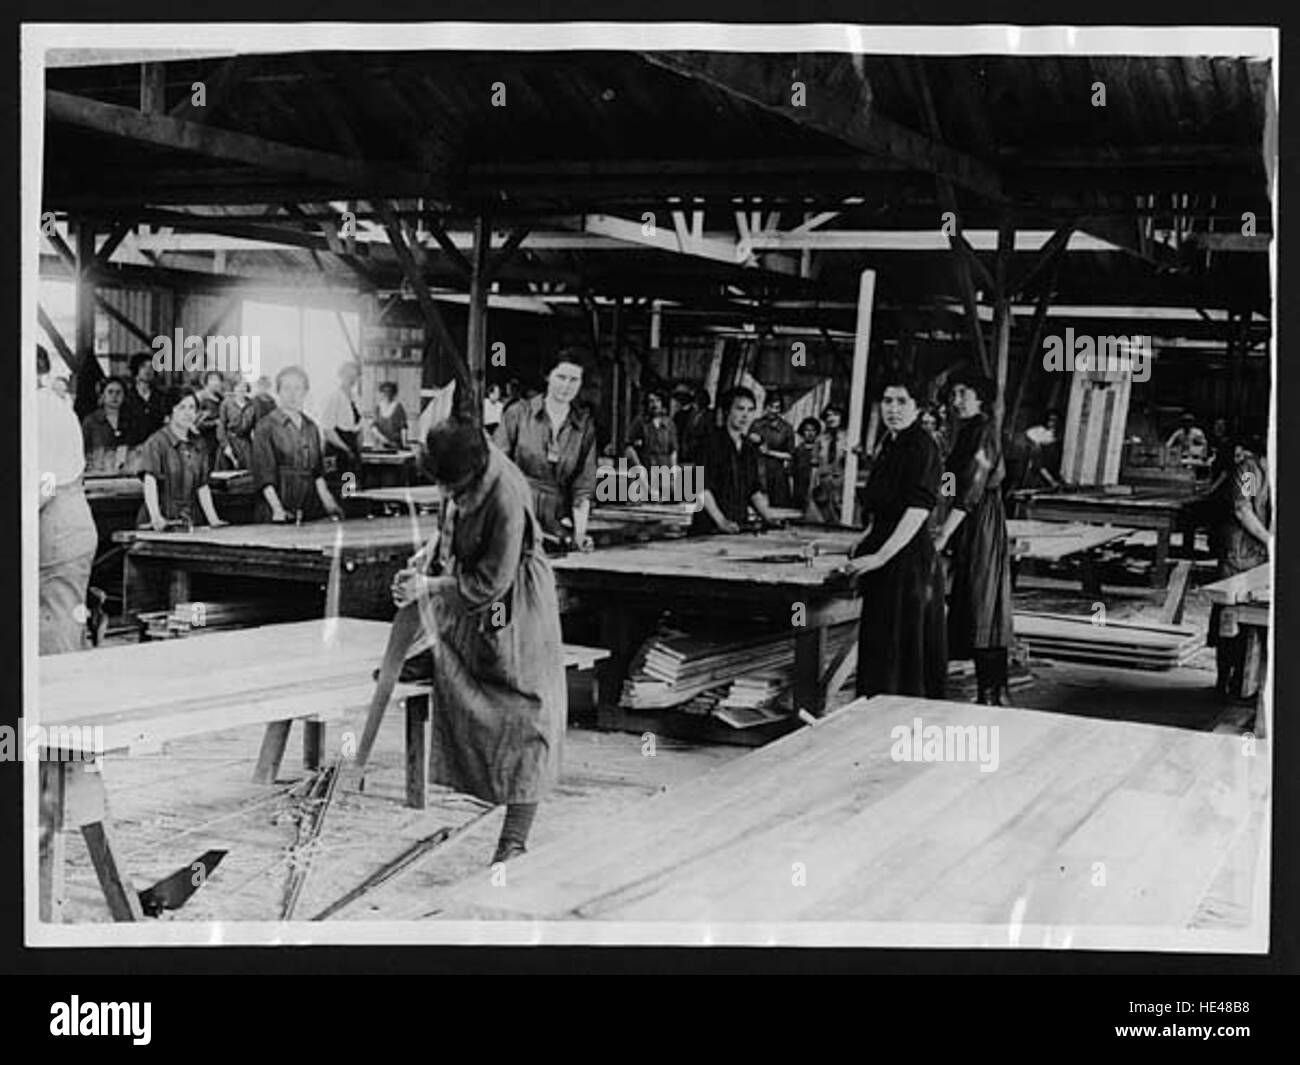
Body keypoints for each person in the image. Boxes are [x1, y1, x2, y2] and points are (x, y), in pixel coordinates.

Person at [391, 417, 565, 865]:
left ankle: (514, 841)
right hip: (466, 597)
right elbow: (449, 519)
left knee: (526, 712)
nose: (446, 494)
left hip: (512, 603)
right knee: (457, 672)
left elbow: (491, 583)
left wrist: (428, 588)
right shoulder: (458, 468)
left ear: (474, 469)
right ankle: (436, 659)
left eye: (452, 486)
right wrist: (428, 554)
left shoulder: (505, 495)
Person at [833, 374, 946, 698]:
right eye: (887, 401)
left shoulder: (923, 447)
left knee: (902, 658)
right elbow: (884, 504)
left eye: (901, 402)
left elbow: (917, 509)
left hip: (908, 562)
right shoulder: (890, 443)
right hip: (885, 559)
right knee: (880, 650)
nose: (892, 409)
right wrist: (866, 537)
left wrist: (880, 555)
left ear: (918, 407)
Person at [933, 371, 1014, 705]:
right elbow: (951, 482)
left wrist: (943, 534)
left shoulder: (982, 432)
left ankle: (993, 693)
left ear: (981, 397)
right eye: (953, 395)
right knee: (973, 601)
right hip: (967, 519)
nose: (956, 401)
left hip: (981, 522)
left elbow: (971, 489)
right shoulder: (966, 432)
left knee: (984, 602)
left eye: (963, 393)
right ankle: (990, 692)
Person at [493, 350, 598, 548]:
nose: (566, 386)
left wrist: (580, 534)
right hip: (517, 516)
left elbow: (583, 487)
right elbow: (497, 469)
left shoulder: (584, 426)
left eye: (574, 380)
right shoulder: (518, 414)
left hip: (557, 524)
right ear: (548, 376)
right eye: (561, 377)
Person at [38, 345, 98, 655]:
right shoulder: (57, 406)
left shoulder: (39, 411)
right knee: (65, 619)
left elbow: (45, 483)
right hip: (70, 522)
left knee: (56, 626)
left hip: (59, 527)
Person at [1208, 436, 1272, 698]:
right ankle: (1223, 682)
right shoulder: (1250, 470)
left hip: (1256, 554)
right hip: (1240, 553)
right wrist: (1269, 540)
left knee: (1251, 624)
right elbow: (1242, 508)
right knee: (1230, 615)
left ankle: (1242, 684)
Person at [249, 366, 345, 523]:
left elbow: (317, 473)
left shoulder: (311, 427)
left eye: (298, 388)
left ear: (305, 392)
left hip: (308, 509)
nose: (292, 394)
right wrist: (278, 510)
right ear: (278, 392)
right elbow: (264, 476)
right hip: (275, 509)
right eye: (286, 388)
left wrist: (330, 505)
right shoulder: (265, 426)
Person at [690, 387, 783, 534]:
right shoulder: (710, 443)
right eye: (740, 409)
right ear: (727, 410)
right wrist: (721, 521)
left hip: (738, 525)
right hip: (709, 526)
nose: (745, 415)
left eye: (750, 410)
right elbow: (701, 488)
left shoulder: (749, 448)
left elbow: (753, 490)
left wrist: (769, 518)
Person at [134, 388, 227, 531]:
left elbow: (202, 486)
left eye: (192, 408)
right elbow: (150, 481)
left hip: (190, 521)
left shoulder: (199, 444)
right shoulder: (156, 442)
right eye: (181, 407)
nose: (188, 413)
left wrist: (213, 520)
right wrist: (156, 517)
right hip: (161, 520)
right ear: (171, 412)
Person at [320, 361, 364, 496]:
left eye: (354, 376)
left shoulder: (356, 398)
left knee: (350, 489)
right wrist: (346, 449)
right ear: (341, 376)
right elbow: (327, 431)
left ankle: (349, 510)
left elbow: (359, 427)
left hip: (350, 446)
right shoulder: (334, 396)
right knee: (337, 486)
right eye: (348, 376)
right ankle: (338, 511)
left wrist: (356, 450)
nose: (351, 379)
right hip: (337, 447)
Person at [749, 390, 796, 508]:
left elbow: (790, 455)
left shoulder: (786, 428)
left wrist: (769, 452)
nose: (773, 411)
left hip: (777, 473)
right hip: (758, 470)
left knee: (778, 506)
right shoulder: (757, 424)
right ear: (766, 406)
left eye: (777, 407)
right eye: (771, 406)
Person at [81, 375, 134, 474]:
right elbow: (83, 451)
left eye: (118, 392)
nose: (114, 396)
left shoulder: (131, 420)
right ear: (102, 395)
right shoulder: (91, 421)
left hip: (125, 476)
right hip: (97, 475)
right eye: (110, 392)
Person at [807, 404, 850, 523]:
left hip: (841, 483)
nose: (831, 418)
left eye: (835, 415)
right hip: (824, 482)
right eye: (828, 415)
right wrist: (813, 486)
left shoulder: (849, 437)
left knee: (841, 513)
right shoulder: (821, 439)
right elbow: (814, 463)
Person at [624, 390, 678, 470]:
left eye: (658, 400)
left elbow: (673, 451)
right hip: (646, 467)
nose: (655, 404)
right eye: (651, 401)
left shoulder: (669, 424)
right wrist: (639, 467)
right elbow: (629, 448)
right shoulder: (640, 422)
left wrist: (673, 470)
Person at [122, 353, 167, 445]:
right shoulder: (126, 397)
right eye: (143, 366)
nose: (148, 370)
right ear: (135, 369)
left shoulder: (161, 397)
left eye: (151, 367)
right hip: (133, 447)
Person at [215, 378, 258, 470]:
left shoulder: (252, 405)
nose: (241, 389)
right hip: (230, 441)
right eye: (239, 387)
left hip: (245, 444)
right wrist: (225, 446)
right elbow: (221, 426)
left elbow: (256, 428)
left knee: (247, 473)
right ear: (234, 388)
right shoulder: (226, 403)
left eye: (244, 387)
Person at [193, 370, 226, 471]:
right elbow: (196, 423)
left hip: (218, 439)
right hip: (205, 440)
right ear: (206, 381)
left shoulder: (220, 398)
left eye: (218, 380)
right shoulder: (200, 397)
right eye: (213, 379)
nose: (216, 383)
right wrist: (214, 423)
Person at [792, 416, 821, 513]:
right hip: (800, 490)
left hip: (816, 489)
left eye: (813, 430)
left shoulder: (821, 450)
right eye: (807, 430)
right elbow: (791, 472)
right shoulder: (797, 451)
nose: (810, 433)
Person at [679, 387, 714, 464]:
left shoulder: (710, 415)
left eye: (696, 401)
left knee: (699, 475)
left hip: (702, 453)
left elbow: (710, 434)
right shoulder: (692, 414)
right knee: (687, 474)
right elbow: (686, 430)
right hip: (688, 453)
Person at [372, 381, 408, 448]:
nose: (387, 394)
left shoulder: (398, 407)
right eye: (384, 391)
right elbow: (374, 427)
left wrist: (404, 443)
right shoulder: (378, 407)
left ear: (394, 393)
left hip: (395, 444)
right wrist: (382, 439)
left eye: (389, 391)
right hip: (381, 444)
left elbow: (403, 427)